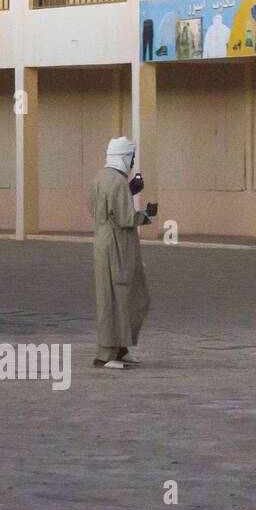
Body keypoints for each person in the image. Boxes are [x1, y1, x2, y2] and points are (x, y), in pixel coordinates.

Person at [90, 137, 157, 370]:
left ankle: (120, 348)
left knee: (117, 296)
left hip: (104, 241)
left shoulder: (101, 177)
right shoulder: (117, 181)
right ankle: (107, 354)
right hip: (117, 245)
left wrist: (131, 191)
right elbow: (126, 218)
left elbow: (105, 207)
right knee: (121, 296)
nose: (132, 162)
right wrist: (147, 214)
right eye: (132, 157)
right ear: (125, 157)